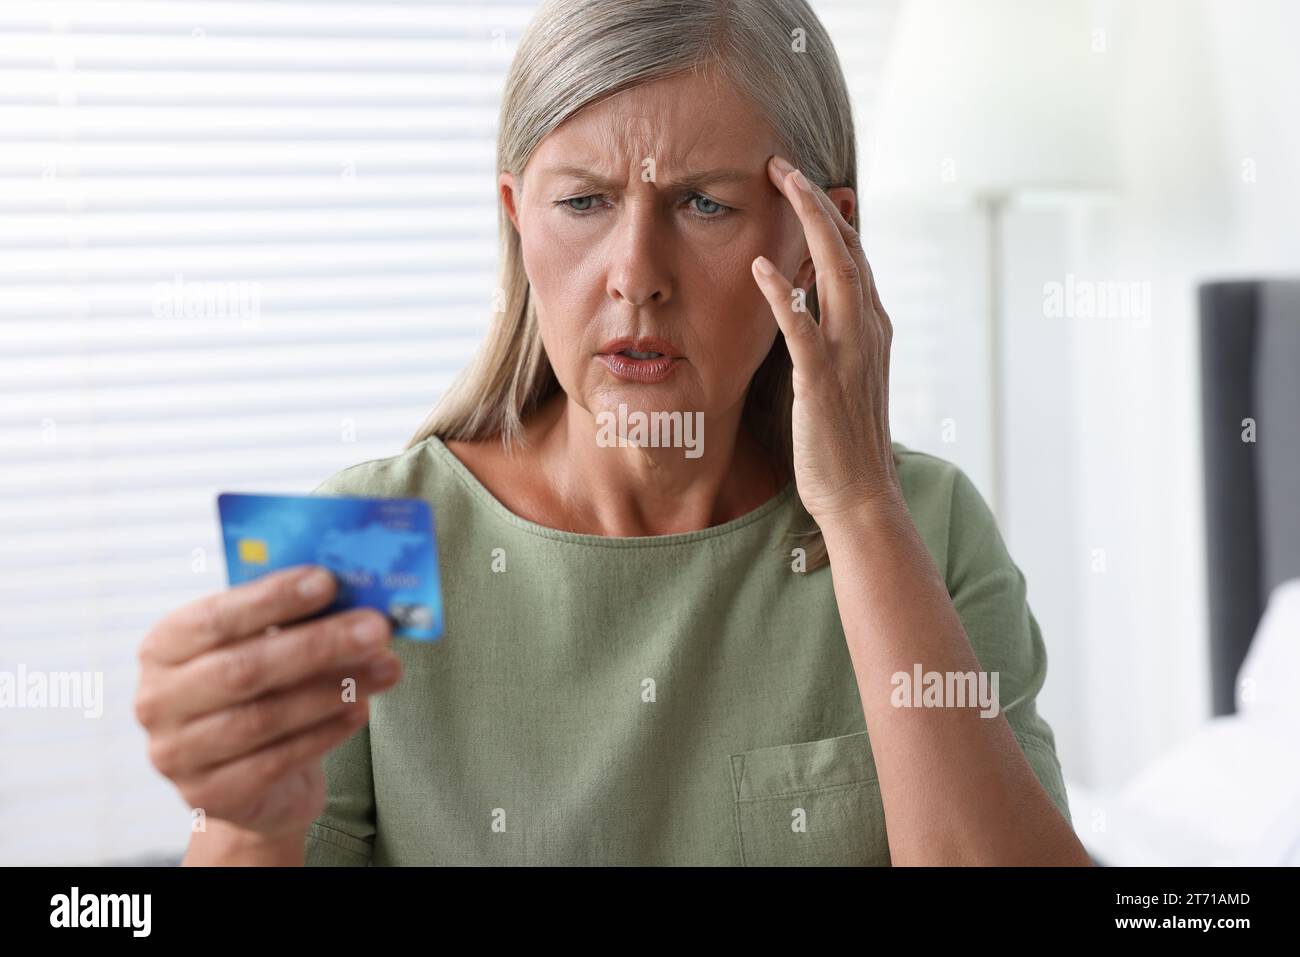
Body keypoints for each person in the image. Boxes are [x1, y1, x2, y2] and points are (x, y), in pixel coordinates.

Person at [136, 0, 1089, 866]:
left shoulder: (925, 524)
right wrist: (247, 823)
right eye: (584, 202)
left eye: (704, 203)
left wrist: (860, 507)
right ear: (516, 217)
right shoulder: (360, 537)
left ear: (818, 237)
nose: (635, 274)